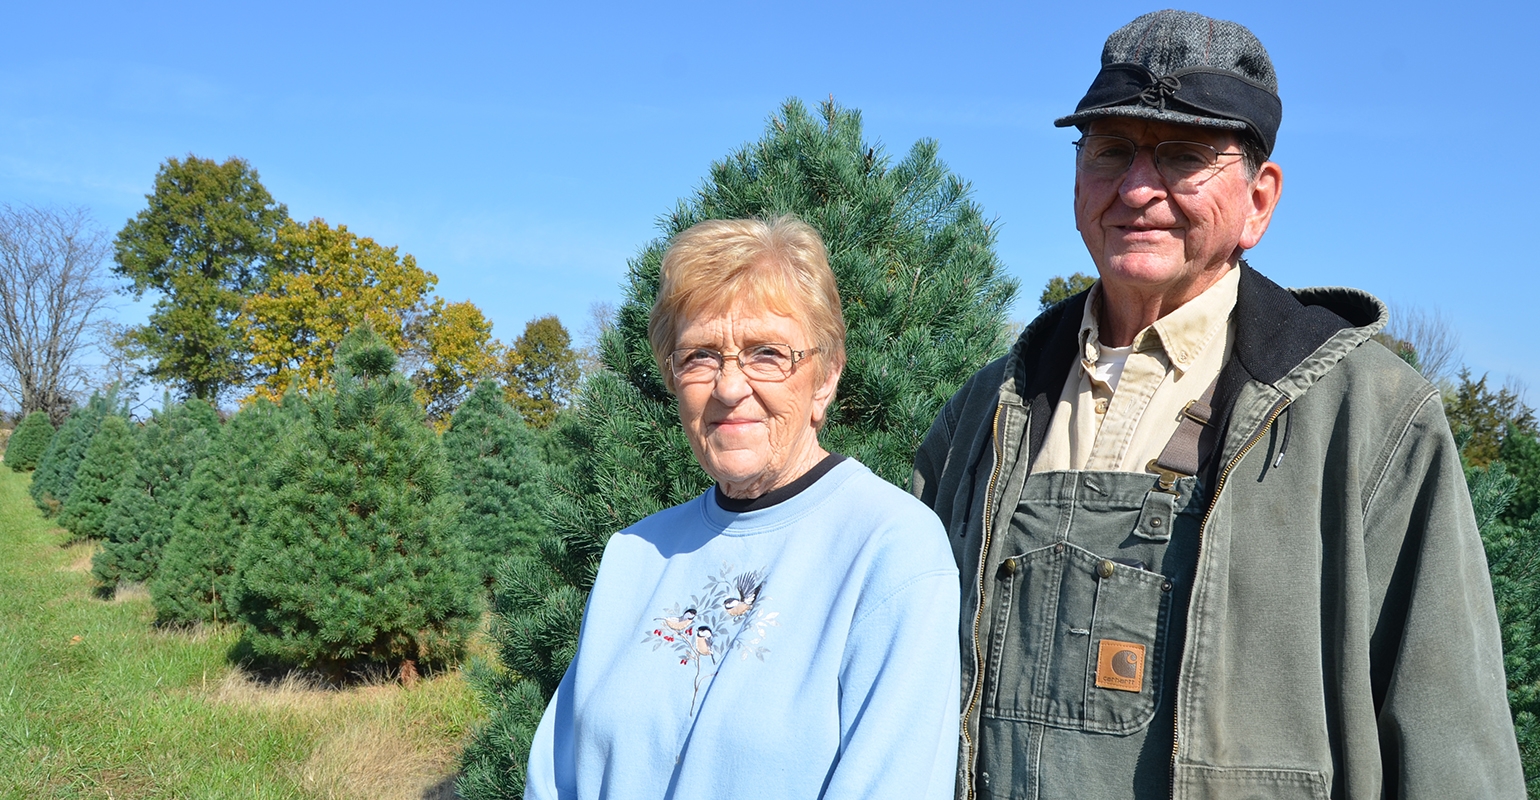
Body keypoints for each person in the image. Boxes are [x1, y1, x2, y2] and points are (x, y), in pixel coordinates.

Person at [912, 9, 1525, 799]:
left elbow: (1453, 742)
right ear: (1076, 177)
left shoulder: (1374, 419)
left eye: (1183, 156)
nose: (1138, 188)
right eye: (1111, 150)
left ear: (1258, 201)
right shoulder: (985, 408)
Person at [524, 215, 960, 799]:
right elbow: (555, 778)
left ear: (826, 376)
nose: (729, 388)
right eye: (700, 356)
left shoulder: (890, 547)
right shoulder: (633, 556)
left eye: (766, 354)